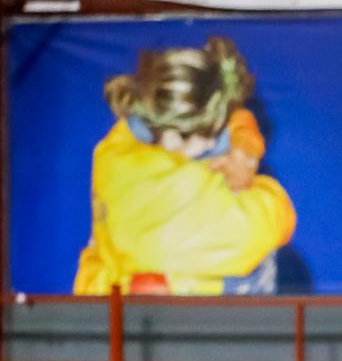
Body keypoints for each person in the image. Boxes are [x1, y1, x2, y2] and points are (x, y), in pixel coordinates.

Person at [75, 36, 295, 296]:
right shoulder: (160, 186)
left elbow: (237, 118)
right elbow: (271, 221)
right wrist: (252, 180)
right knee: (256, 272)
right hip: (146, 322)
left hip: (118, 304)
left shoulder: (121, 143)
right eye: (208, 139)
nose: (211, 146)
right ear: (173, 135)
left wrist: (243, 148)